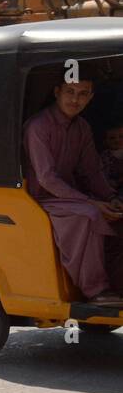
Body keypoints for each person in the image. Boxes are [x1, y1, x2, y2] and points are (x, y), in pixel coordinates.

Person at [22, 77, 123, 304]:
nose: (75, 99)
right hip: (41, 198)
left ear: (91, 97)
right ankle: (96, 290)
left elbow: (92, 171)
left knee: (117, 216)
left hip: (70, 197)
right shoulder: (38, 127)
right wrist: (91, 202)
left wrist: (111, 197)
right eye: (70, 91)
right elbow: (47, 178)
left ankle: (117, 286)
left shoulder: (82, 127)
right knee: (90, 215)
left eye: (83, 93)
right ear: (57, 92)